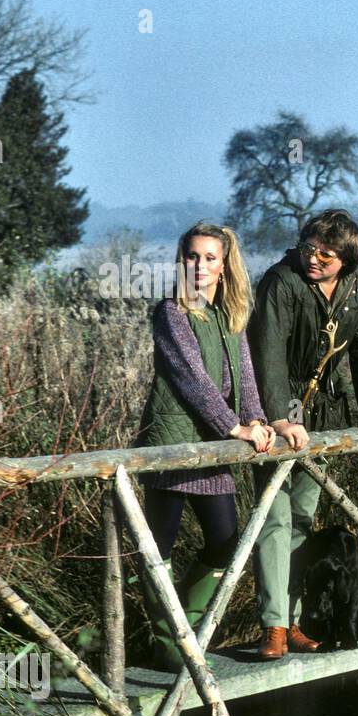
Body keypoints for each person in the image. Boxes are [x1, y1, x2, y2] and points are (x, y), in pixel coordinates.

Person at [248, 209, 358, 659]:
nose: (313, 259)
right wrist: (279, 417)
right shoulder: (281, 281)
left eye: (326, 255)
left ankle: (294, 620)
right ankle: (273, 626)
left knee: (302, 520)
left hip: (326, 415)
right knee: (274, 518)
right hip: (277, 414)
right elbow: (267, 353)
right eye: (309, 248)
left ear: (347, 258)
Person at [135, 222, 273, 671]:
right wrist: (234, 428)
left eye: (209, 258)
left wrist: (256, 420)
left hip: (213, 447)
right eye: (192, 256)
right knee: (159, 548)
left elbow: (245, 376)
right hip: (172, 444)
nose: (199, 266)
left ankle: (186, 631)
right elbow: (191, 380)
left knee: (226, 542)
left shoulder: (229, 313)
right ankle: (168, 646)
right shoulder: (172, 312)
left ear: (223, 264)